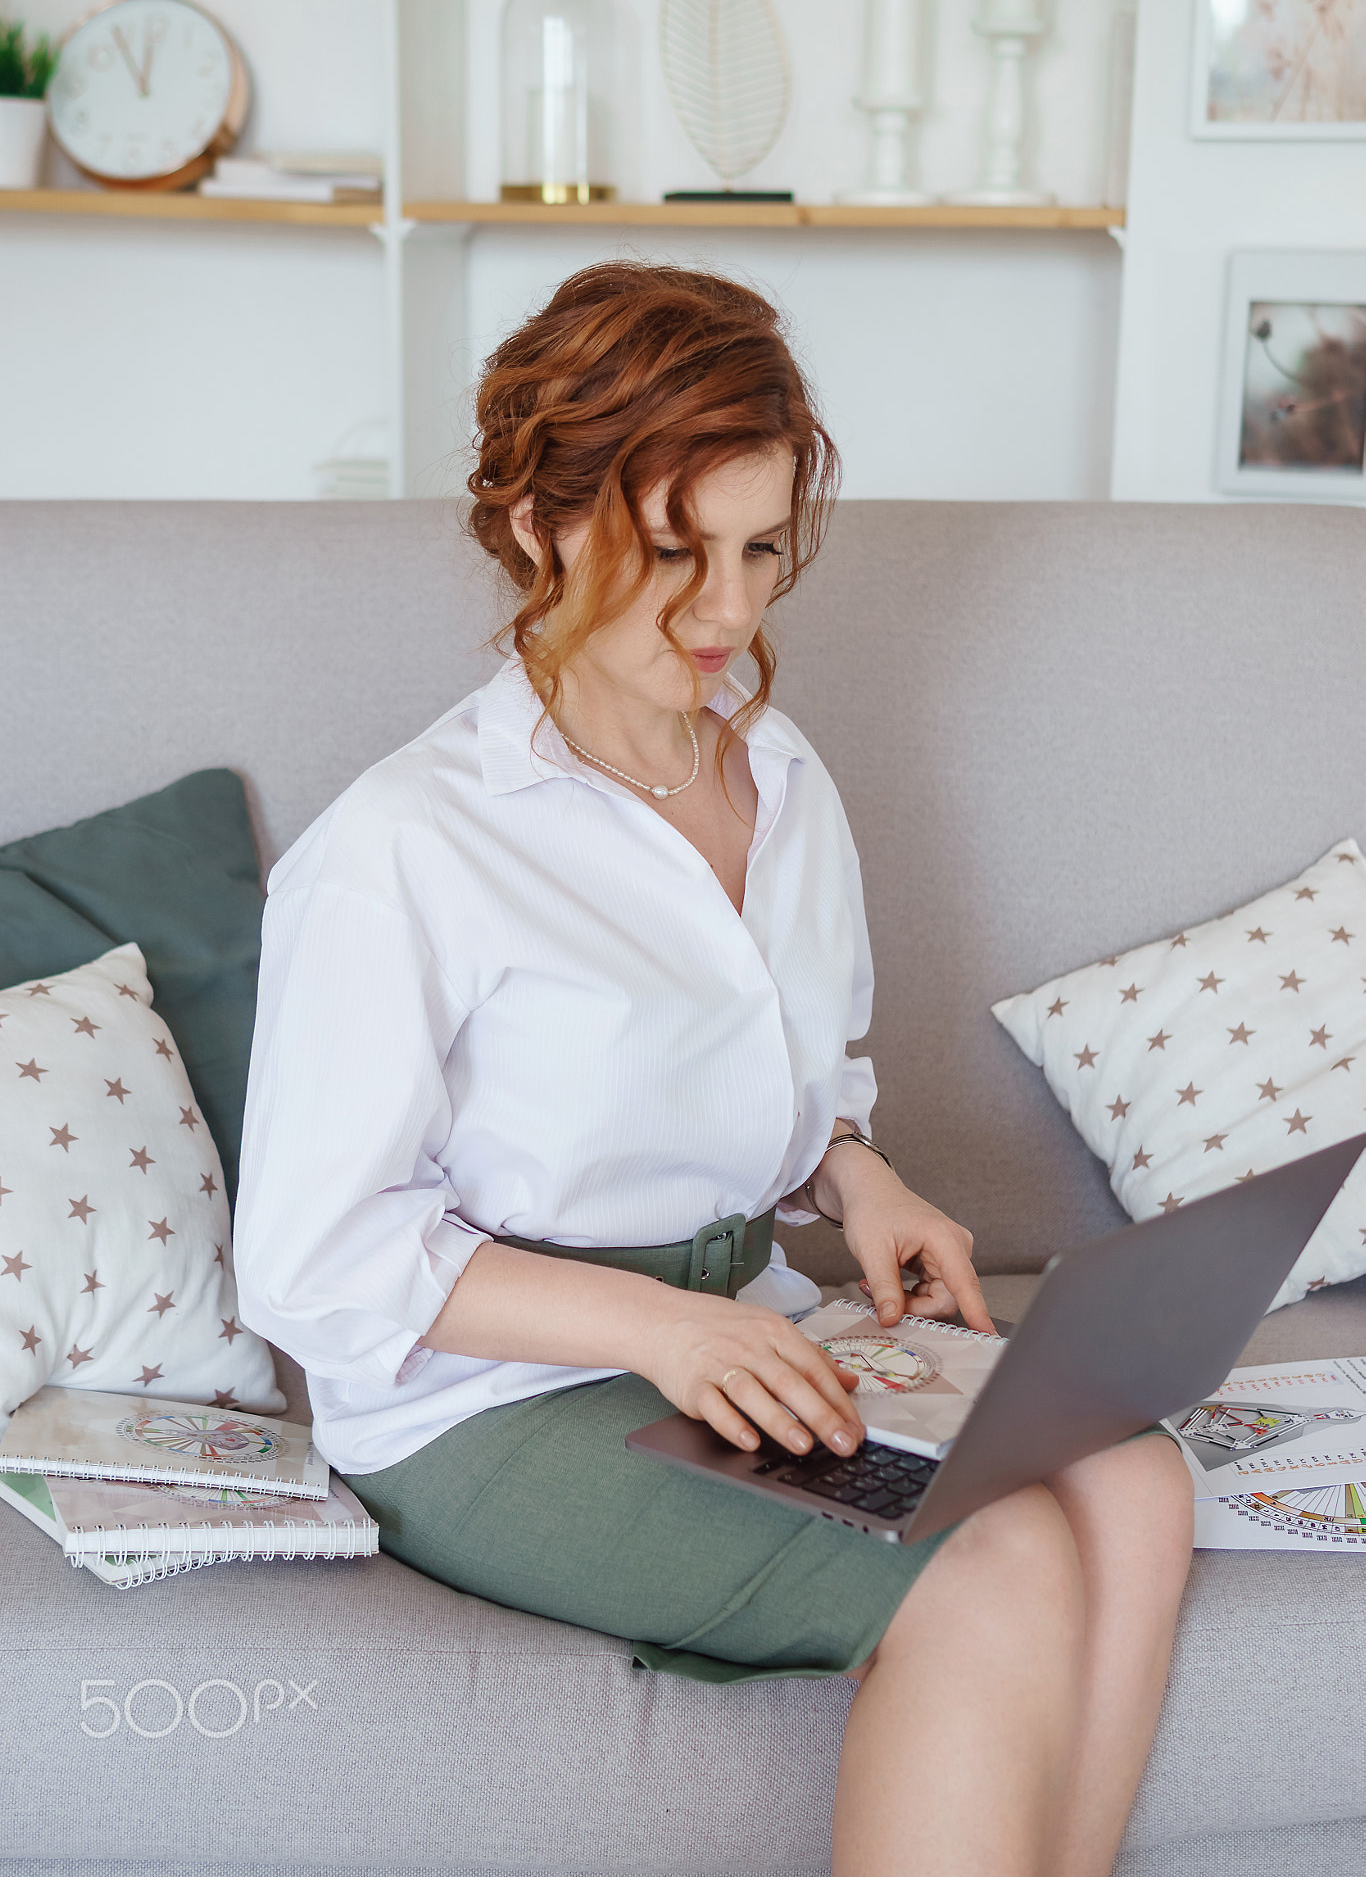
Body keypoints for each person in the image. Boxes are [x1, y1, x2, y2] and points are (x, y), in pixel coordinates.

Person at [234, 261, 1193, 1877]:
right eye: (675, 552)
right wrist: (654, 1327)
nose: (730, 612)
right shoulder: (403, 845)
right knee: (996, 1562)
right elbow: (311, 1261)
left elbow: (793, 1076)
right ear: (542, 523)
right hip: (486, 1399)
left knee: (1135, 1482)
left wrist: (857, 1174)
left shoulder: (785, 776)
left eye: (759, 551)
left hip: (737, 1338)